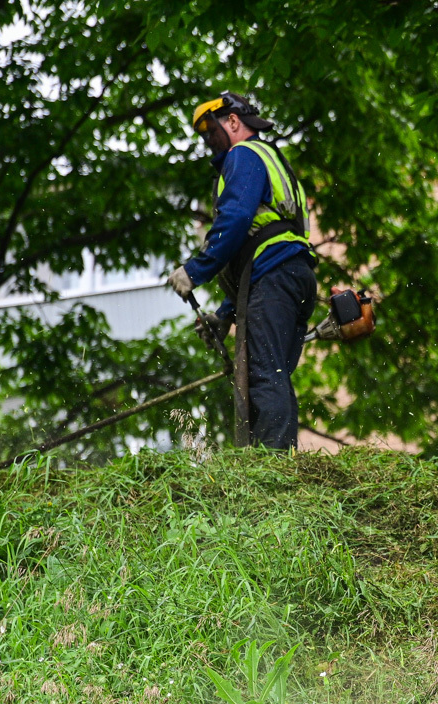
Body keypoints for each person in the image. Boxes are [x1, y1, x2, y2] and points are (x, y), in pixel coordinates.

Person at [167, 91, 317, 449]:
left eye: (211, 132)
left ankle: (272, 472)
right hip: (290, 277)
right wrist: (225, 315)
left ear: (233, 121)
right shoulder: (273, 162)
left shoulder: (245, 154)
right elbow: (255, 252)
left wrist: (195, 270)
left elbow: (236, 220)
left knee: (264, 375)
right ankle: (272, 463)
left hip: (276, 276)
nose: (209, 142)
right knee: (273, 374)